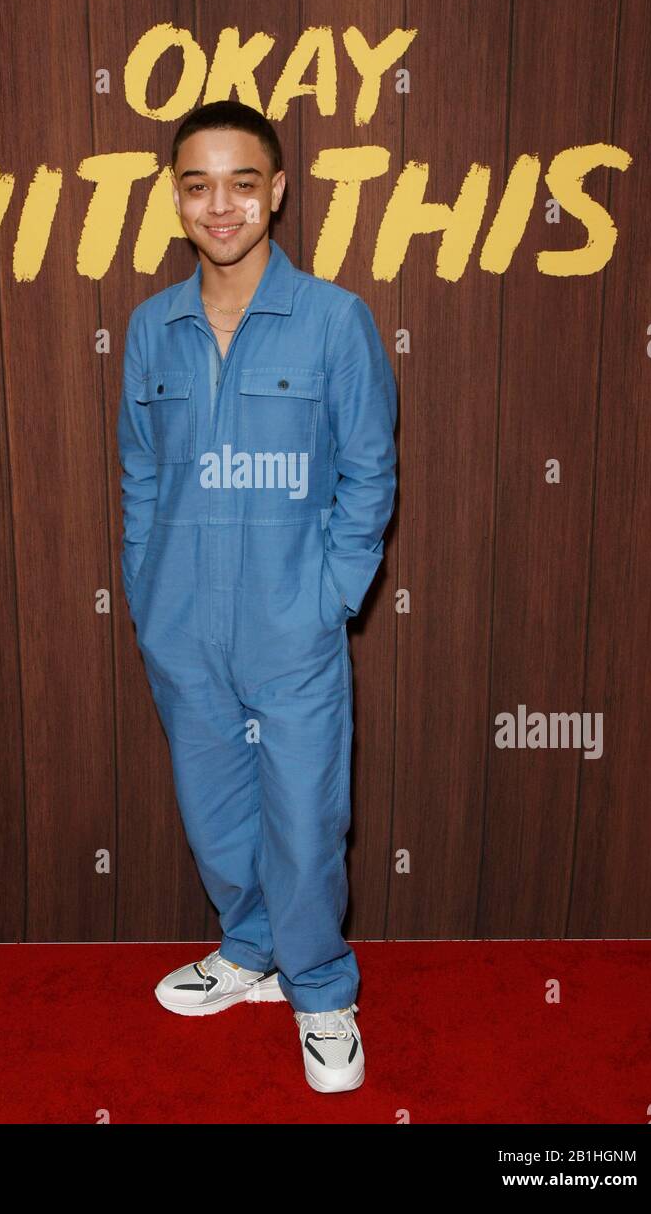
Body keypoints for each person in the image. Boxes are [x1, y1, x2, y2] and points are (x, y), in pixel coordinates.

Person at [116, 99, 397, 1093]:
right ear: (177, 197)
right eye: (198, 184)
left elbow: (366, 472)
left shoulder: (333, 320)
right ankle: (249, 951)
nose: (220, 204)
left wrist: (329, 595)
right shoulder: (151, 329)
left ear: (276, 191)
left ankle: (320, 992)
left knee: (305, 821)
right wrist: (148, 591)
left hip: (292, 624)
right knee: (214, 813)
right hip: (183, 625)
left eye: (242, 182)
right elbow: (142, 475)